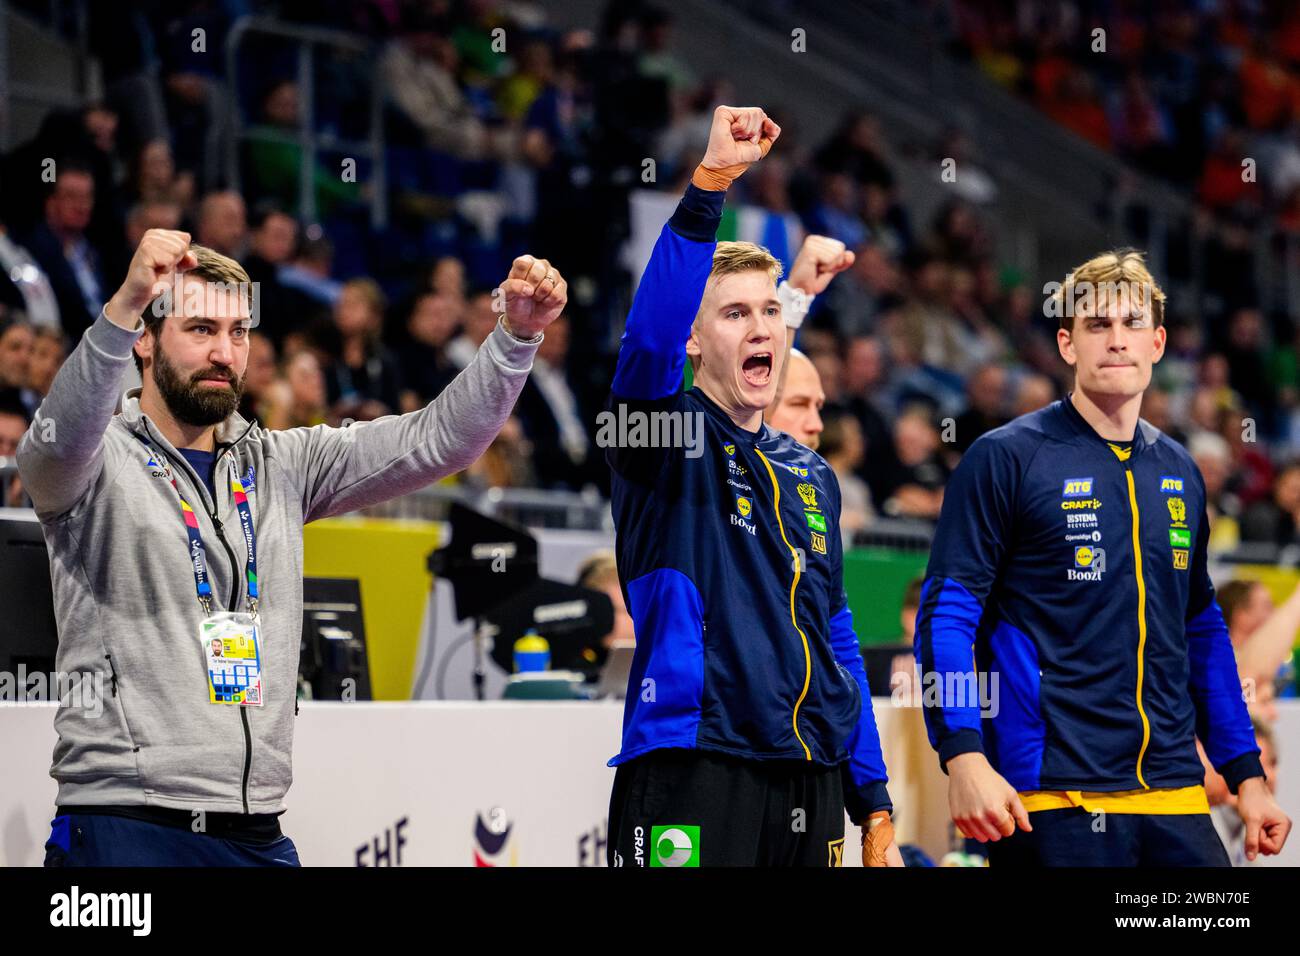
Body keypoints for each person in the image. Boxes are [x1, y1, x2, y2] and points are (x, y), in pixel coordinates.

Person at [18, 228, 565, 866]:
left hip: (256, 831)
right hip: (126, 826)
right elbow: (51, 447)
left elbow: (440, 439)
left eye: (239, 333)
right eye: (200, 329)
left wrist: (516, 338)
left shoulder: (283, 462)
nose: (225, 353)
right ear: (144, 338)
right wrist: (123, 304)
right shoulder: (94, 461)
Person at [915, 249, 1291, 866]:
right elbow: (947, 616)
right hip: (1052, 796)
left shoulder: (1181, 470)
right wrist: (963, 756)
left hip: (1174, 793)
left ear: (1158, 343)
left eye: (1131, 324)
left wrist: (1247, 778)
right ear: (1067, 344)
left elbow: (1200, 631)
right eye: (1096, 326)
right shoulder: (1005, 457)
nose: (1116, 341)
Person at [604, 105, 899, 867]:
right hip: (695, 763)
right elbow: (649, 340)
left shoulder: (812, 474)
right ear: (697, 339)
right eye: (735, 313)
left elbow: (835, 640)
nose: (762, 327)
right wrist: (712, 184)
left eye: (771, 311)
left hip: (810, 775)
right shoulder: (663, 438)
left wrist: (875, 801)